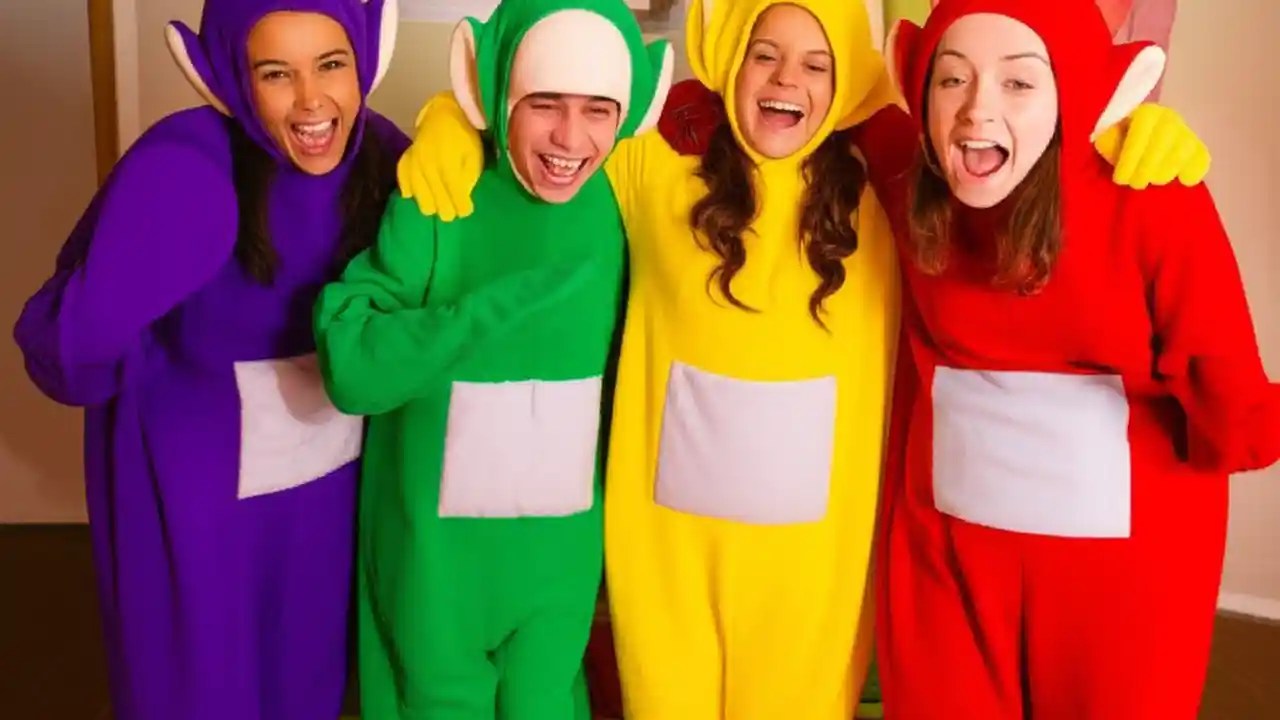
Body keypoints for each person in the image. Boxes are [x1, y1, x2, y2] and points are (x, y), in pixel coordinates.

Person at [391, 0, 1208, 717]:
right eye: (765, 53)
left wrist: (1115, 128)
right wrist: (455, 121)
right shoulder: (652, 167)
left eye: (817, 62)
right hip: (667, 560)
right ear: (730, 59)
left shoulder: (892, 181)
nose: (788, 78)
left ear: (845, 77)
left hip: (812, 575)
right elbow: (567, 137)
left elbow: (1002, 156)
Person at [871, 0, 1280, 717]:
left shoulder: (1147, 200)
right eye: (951, 79)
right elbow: (806, 110)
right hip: (949, 561)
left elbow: (1232, 402)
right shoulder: (907, 183)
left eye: (1020, 83)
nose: (976, 110)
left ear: (1075, 91)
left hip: (1121, 575)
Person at [12, 2, 405, 718]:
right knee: (197, 685)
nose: (313, 100)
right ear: (229, 75)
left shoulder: (385, 156)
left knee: (308, 678)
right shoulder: (185, 167)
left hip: (326, 480)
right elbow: (64, 351)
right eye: (276, 72)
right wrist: (140, 264)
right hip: (195, 486)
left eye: (332, 63)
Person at [311, 0, 672, 717]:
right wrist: (480, 316)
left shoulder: (626, 196)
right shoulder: (437, 200)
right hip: (439, 574)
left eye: (599, 108)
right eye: (544, 104)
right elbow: (351, 367)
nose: (571, 137)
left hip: (559, 568)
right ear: (497, 88)